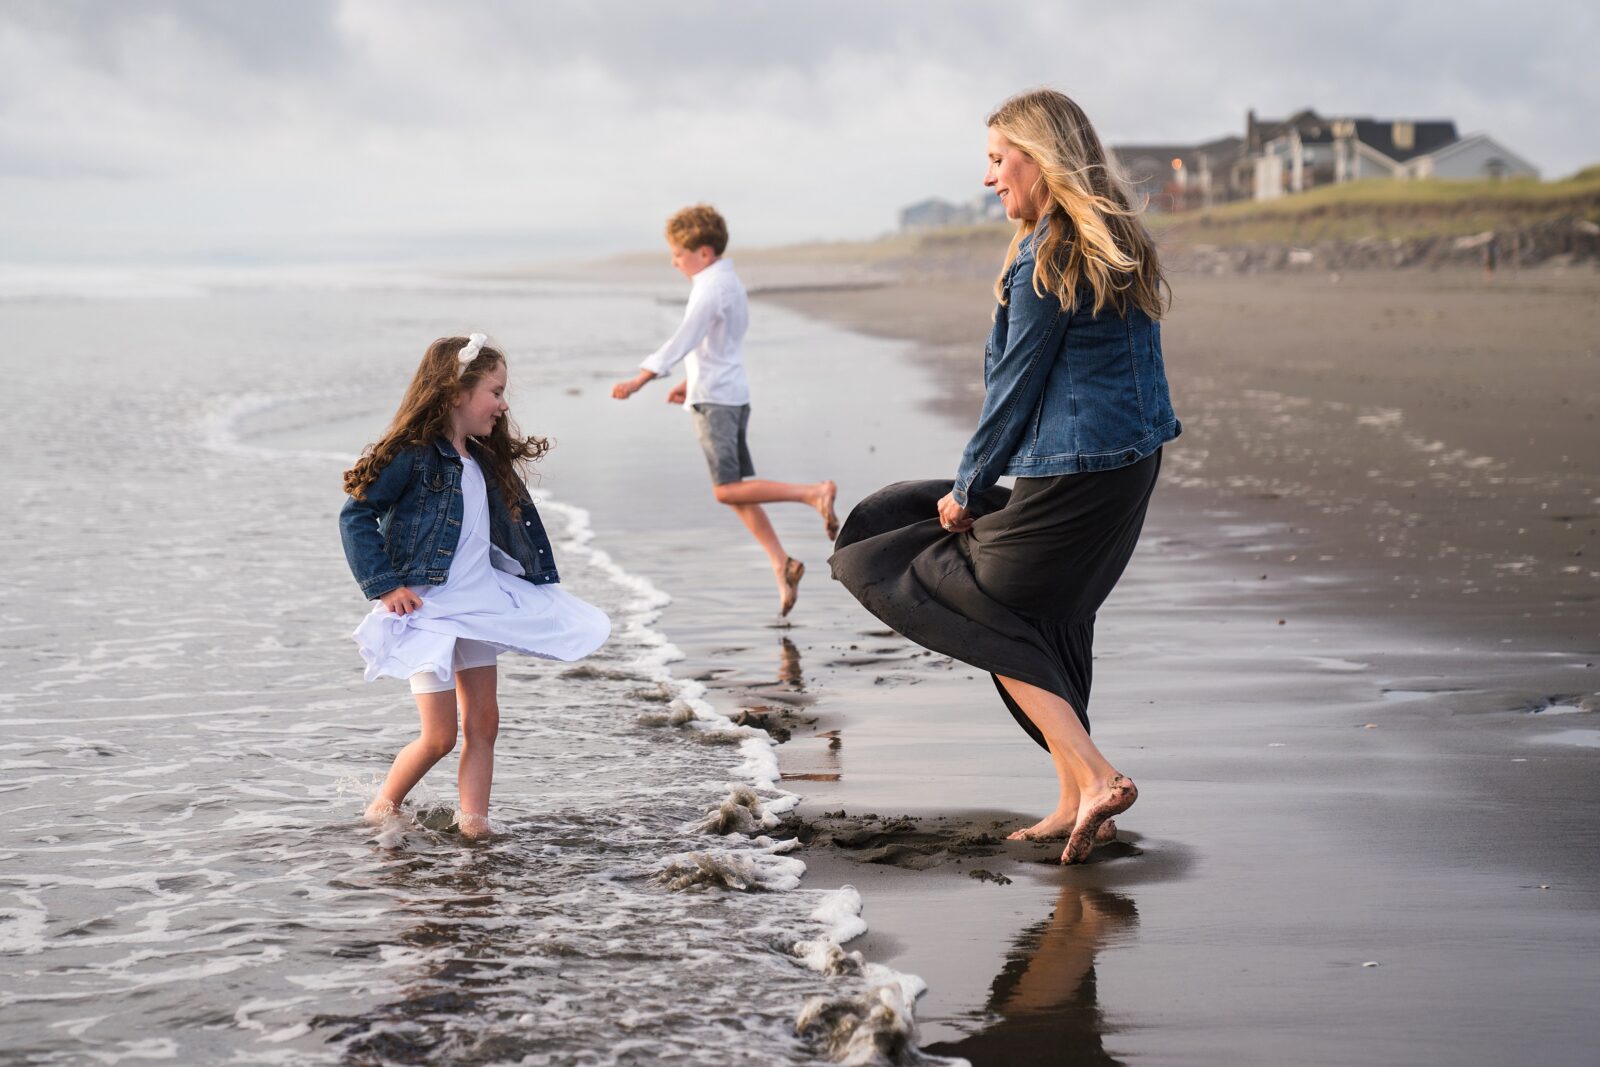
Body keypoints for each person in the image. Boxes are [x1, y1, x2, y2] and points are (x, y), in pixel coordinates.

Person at [830, 89, 1181, 864]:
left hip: (1076, 468)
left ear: (1040, 155)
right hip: (1125, 466)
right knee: (1049, 615)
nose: (989, 179)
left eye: (997, 159)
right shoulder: (1111, 237)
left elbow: (1014, 388)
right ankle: (1070, 797)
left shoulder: (1047, 254)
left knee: (974, 597)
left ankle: (1093, 776)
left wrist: (968, 483)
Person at [340, 334, 610, 838]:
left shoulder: (482, 459)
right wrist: (385, 586)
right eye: (496, 391)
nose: (504, 404)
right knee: (440, 736)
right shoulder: (414, 455)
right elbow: (357, 514)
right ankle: (381, 809)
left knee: (484, 724)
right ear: (455, 392)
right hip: (428, 608)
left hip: (478, 604)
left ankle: (475, 826)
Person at [611, 204, 839, 617]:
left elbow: (685, 338)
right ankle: (781, 563)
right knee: (737, 490)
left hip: (716, 399)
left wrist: (640, 378)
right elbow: (718, 343)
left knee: (726, 490)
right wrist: (688, 382)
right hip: (726, 391)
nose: (674, 261)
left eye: (679, 253)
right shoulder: (727, 282)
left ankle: (812, 494)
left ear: (704, 251)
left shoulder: (709, 287)